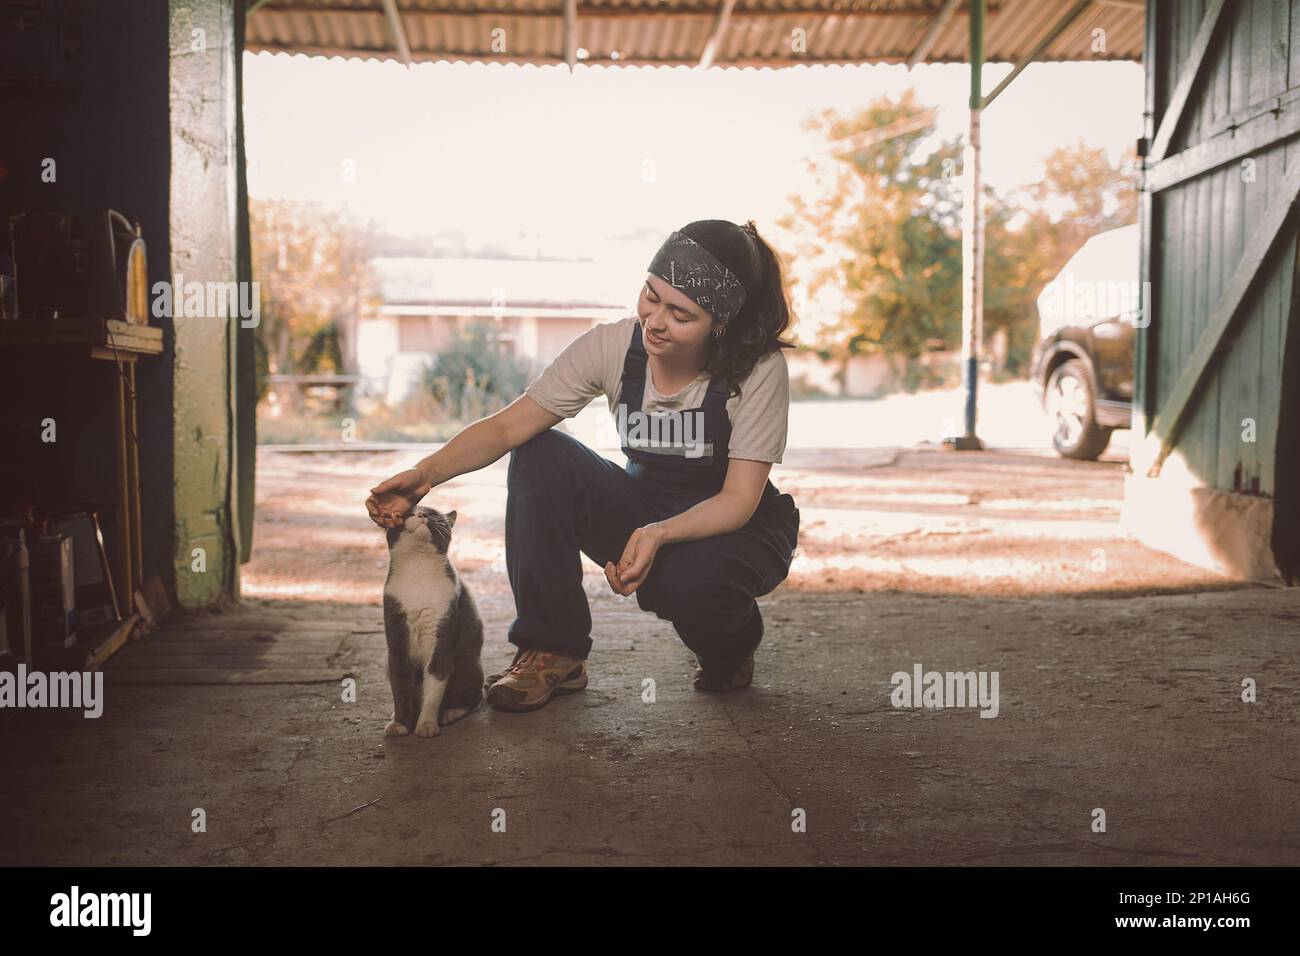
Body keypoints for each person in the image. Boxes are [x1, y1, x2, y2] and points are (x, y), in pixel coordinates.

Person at [366, 219, 801, 712]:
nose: (655, 321)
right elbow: (510, 427)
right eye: (651, 295)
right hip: (646, 499)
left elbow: (739, 499)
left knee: (690, 587)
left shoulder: (758, 370)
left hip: (735, 523)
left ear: (720, 322)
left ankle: (733, 646)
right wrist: (425, 475)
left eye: (681, 314)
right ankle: (552, 649)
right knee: (540, 450)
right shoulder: (613, 347)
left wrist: (658, 534)